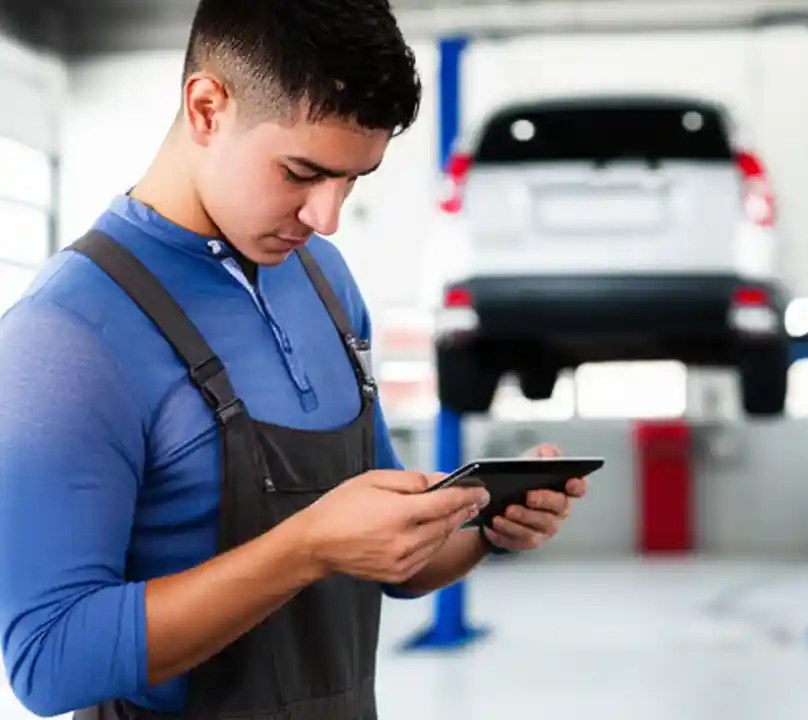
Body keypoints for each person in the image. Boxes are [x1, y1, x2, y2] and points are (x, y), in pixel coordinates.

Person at [0, 0, 589, 717]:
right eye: (300, 172)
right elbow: (49, 660)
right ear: (208, 108)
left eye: (353, 179)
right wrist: (304, 548)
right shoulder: (67, 333)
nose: (326, 217)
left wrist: (485, 526)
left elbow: (388, 561)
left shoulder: (325, 282)